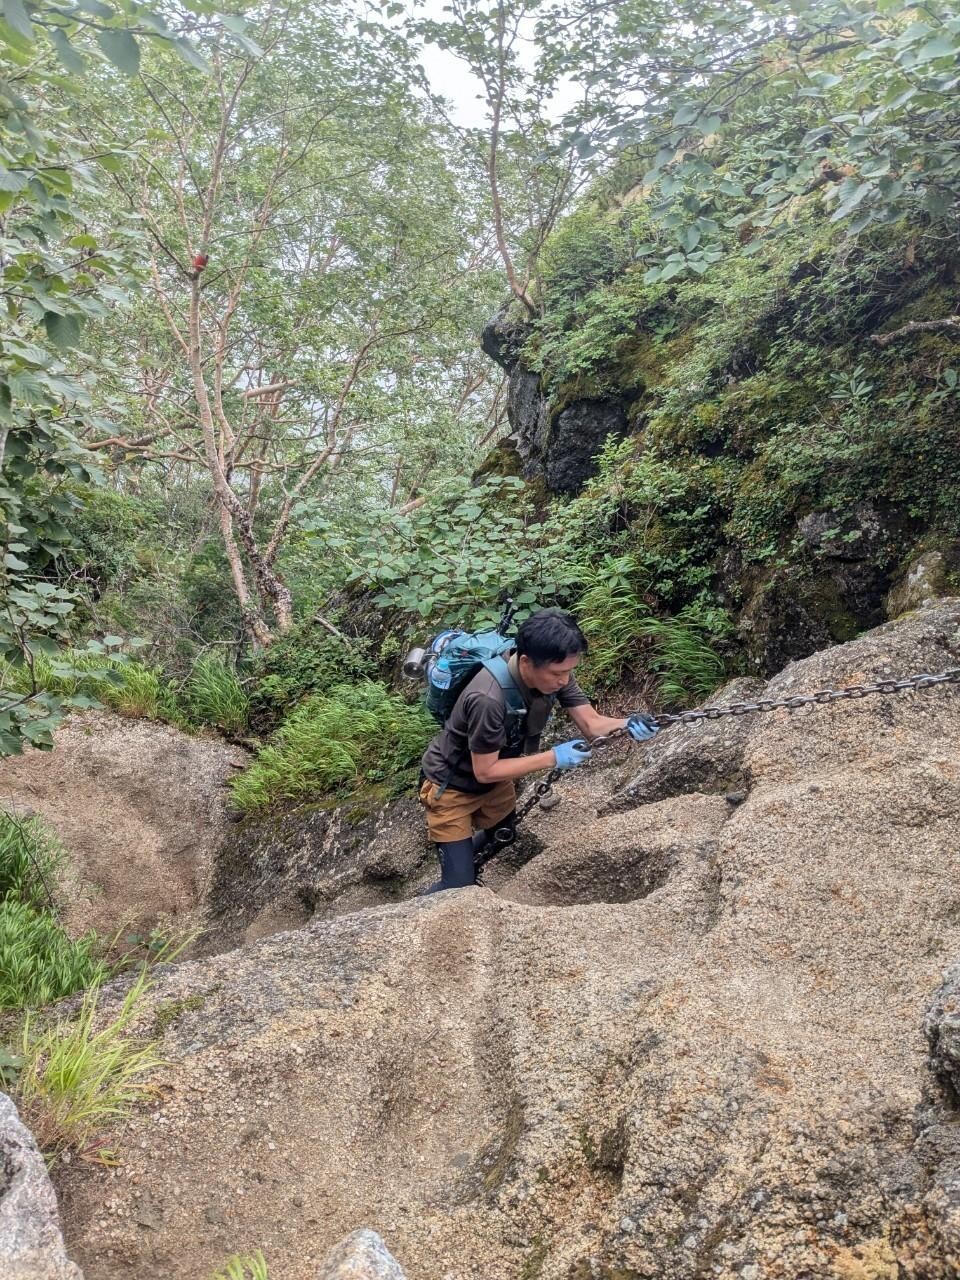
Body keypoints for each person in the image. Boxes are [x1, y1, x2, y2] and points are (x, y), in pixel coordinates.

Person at [419, 607, 658, 892]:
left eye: (570, 671)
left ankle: (463, 865)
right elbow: (485, 771)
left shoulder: (553, 673)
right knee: (457, 884)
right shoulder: (487, 698)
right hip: (451, 785)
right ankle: (432, 898)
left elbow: (592, 724)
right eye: (558, 673)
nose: (565, 681)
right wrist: (554, 757)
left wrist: (627, 723)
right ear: (526, 662)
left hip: (493, 779)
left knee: (503, 833)